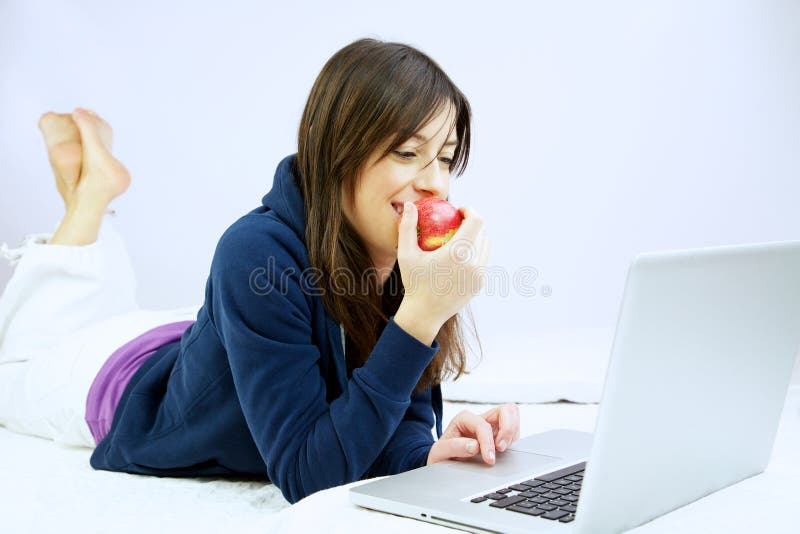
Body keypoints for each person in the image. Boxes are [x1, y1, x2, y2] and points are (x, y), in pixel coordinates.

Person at [0, 38, 519, 504]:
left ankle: (89, 194)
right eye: (407, 152)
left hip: (202, 343)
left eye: (446, 158)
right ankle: (88, 200)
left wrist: (426, 455)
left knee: (105, 312)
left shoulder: (403, 250)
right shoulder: (253, 254)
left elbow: (393, 421)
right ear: (334, 148)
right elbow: (307, 476)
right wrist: (419, 319)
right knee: (13, 370)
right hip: (117, 380)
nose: (436, 184)